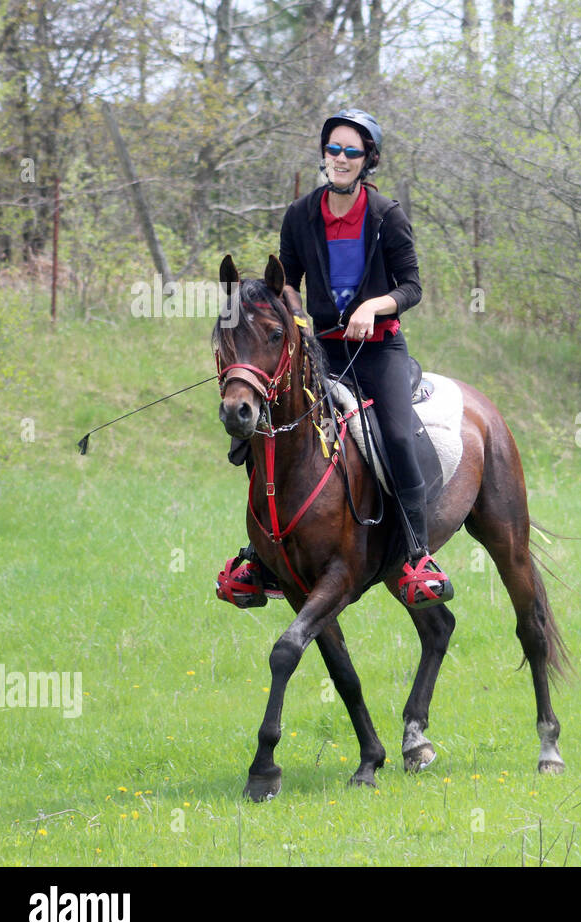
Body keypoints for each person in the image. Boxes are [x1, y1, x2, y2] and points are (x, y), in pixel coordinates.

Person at [216, 108, 453, 609]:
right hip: (322, 348)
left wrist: (373, 305)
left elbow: (412, 287)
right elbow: (289, 289)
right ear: (324, 155)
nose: (340, 159)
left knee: (393, 434)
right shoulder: (300, 215)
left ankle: (416, 554)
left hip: (378, 349)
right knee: (258, 435)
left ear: (368, 160)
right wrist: (296, 326)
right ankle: (264, 558)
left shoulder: (387, 216)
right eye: (333, 150)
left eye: (351, 151)